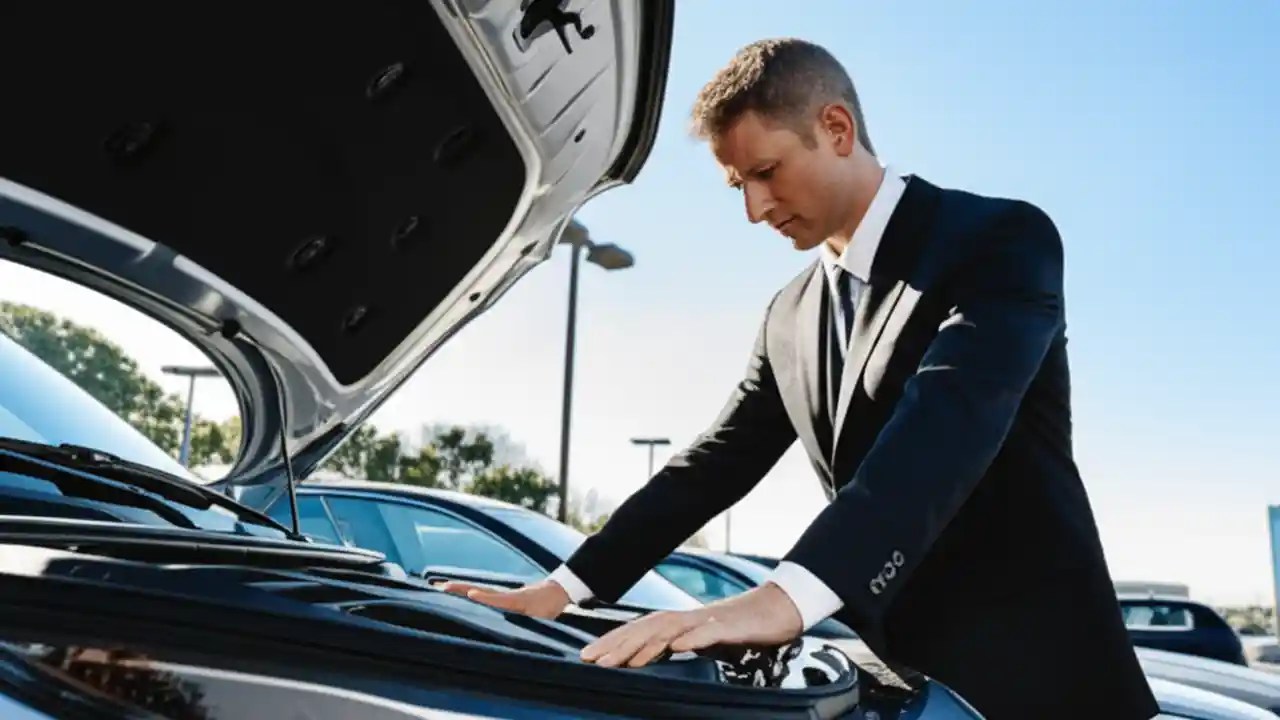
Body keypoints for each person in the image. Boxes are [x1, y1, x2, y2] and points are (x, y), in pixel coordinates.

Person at [444, 38, 1159, 719]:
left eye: (765, 172)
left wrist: (782, 598)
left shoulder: (999, 240)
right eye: (737, 187)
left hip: (1044, 685)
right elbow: (712, 464)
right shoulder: (787, 314)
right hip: (901, 685)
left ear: (837, 128)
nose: (754, 210)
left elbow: (946, 427)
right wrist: (564, 588)